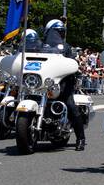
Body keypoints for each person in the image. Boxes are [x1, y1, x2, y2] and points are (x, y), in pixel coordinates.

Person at [35, 18, 87, 150]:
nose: (60, 34)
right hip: (44, 83)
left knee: (71, 106)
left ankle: (81, 138)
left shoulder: (66, 48)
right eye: (58, 31)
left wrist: (75, 69)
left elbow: (72, 63)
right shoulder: (41, 47)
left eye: (61, 32)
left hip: (62, 83)